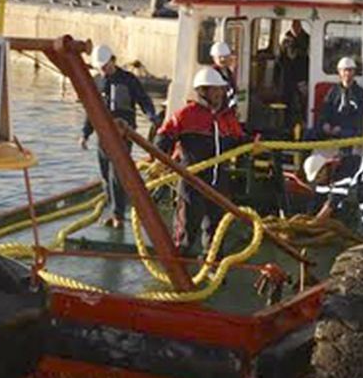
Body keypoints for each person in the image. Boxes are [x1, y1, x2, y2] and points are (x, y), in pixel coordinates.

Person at [155, 68, 247, 255]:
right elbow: (162, 139)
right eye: (215, 90)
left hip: (218, 183)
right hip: (192, 182)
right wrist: (162, 159)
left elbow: (239, 140)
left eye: (220, 90)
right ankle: (178, 269)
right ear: (203, 91)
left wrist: (254, 143)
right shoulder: (186, 115)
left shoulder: (226, 119)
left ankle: (213, 266)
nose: (219, 94)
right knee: (187, 230)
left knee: (216, 231)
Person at [79, 44, 160, 228]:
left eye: (106, 66)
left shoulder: (128, 80)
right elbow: (91, 111)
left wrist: (151, 116)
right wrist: (85, 134)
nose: (103, 70)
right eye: (100, 67)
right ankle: (112, 210)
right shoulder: (97, 82)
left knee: (117, 173)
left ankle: (118, 215)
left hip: (124, 133)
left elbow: (143, 100)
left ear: (113, 61)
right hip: (103, 135)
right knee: (106, 175)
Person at [302, 151, 363, 240]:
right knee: (339, 205)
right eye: (315, 179)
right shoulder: (324, 178)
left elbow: (334, 201)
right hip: (355, 180)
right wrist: (309, 218)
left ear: (324, 168)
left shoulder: (342, 171)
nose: (318, 181)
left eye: (318, 177)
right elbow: (318, 199)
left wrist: (316, 221)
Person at [316, 56, 363, 141]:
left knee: (346, 135)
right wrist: (325, 123)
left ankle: (345, 154)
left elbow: (357, 117)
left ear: (354, 72)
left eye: (350, 70)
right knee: (310, 133)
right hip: (332, 126)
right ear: (339, 72)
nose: (347, 74)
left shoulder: (360, 94)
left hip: (350, 129)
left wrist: (340, 128)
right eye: (344, 70)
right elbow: (326, 109)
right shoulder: (333, 91)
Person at [277, 20, 310, 126]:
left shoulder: (307, 38)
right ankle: (286, 123)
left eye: (297, 25)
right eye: (293, 26)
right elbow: (282, 58)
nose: (295, 28)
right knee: (287, 100)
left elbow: (302, 55)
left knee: (304, 100)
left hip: (302, 74)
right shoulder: (286, 39)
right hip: (288, 75)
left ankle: (305, 121)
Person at [210, 41, 239, 111]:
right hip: (218, 110)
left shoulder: (229, 73)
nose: (223, 59)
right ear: (214, 58)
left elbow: (233, 90)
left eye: (225, 57)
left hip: (228, 109)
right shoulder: (211, 74)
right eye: (220, 57)